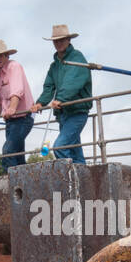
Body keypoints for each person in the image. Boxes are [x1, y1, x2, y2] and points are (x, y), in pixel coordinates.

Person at [35, 25, 92, 164]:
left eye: (62, 40)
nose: (58, 43)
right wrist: (40, 103)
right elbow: (49, 86)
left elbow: (72, 81)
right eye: (56, 41)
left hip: (77, 111)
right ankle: (82, 180)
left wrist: (60, 98)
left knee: (60, 147)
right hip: (63, 114)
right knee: (74, 151)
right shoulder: (54, 66)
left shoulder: (77, 57)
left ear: (68, 40)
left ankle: (70, 182)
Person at [0, 39, 38, 170]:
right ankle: (26, 186)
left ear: (7, 55)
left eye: (0, 55)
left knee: (8, 152)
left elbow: (17, 90)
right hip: (10, 120)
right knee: (18, 156)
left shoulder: (14, 66)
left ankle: (11, 186)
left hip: (24, 116)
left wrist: (12, 107)